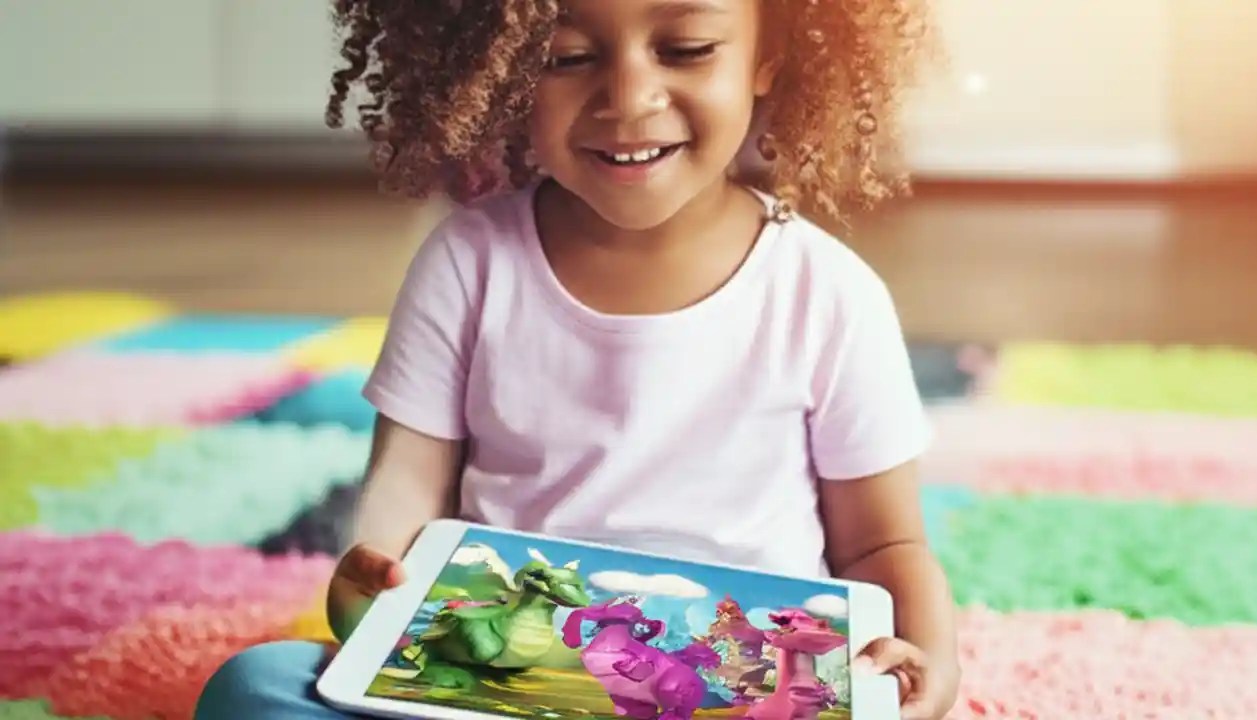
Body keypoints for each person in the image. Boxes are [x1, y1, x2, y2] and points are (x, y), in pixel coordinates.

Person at [196, 0, 958, 718]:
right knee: (254, 687)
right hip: (501, 683)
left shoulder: (826, 291)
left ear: (771, 54)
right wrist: (376, 572)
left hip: (726, 689)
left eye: (686, 49)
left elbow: (884, 542)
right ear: (498, 68)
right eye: (566, 57)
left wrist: (927, 660)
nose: (627, 97)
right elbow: (406, 482)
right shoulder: (468, 262)